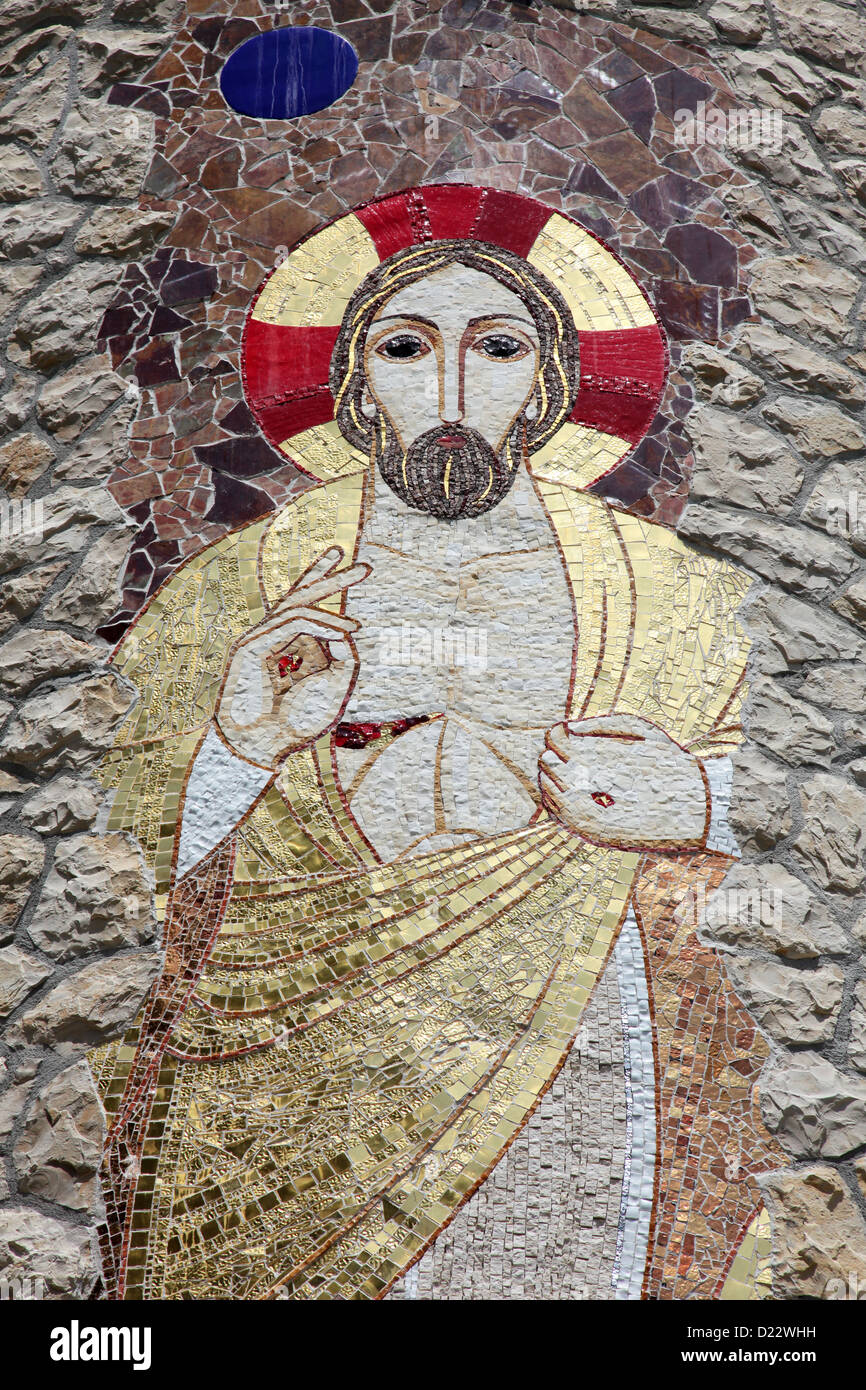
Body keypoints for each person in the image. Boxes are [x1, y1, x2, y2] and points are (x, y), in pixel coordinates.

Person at [91, 231, 781, 1301]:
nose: (452, 386)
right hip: (305, 1062)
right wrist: (241, 744)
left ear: (548, 383)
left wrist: (694, 800)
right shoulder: (248, 582)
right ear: (354, 387)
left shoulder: (664, 591)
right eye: (406, 348)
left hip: (575, 1042)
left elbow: (815, 813)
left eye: (497, 347)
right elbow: (103, 864)